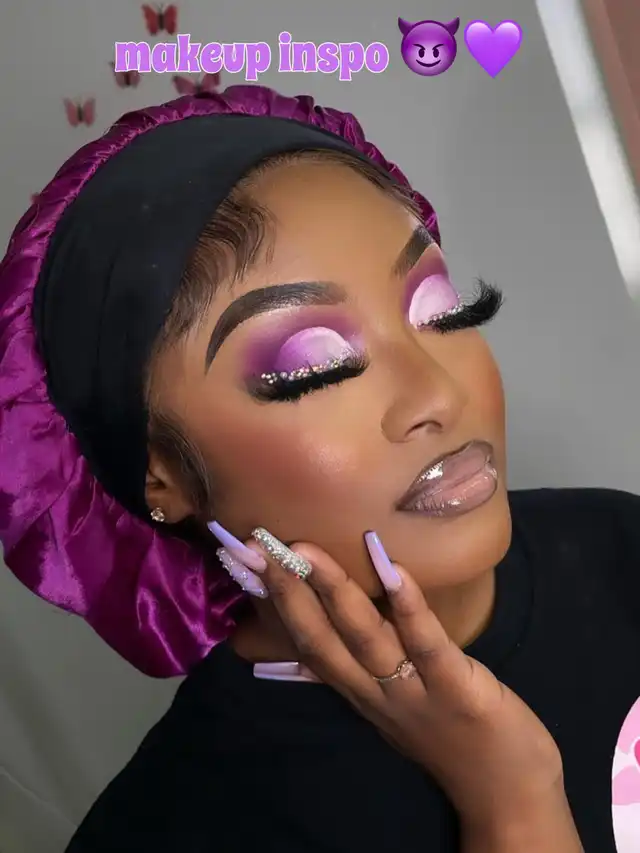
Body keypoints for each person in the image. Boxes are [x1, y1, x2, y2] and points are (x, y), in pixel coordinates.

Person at [3, 83, 637, 853]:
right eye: (313, 366)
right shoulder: (175, 827)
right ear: (160, 475)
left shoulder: (622, 544)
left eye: (441, 309)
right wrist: (511, 798)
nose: (437, 392)